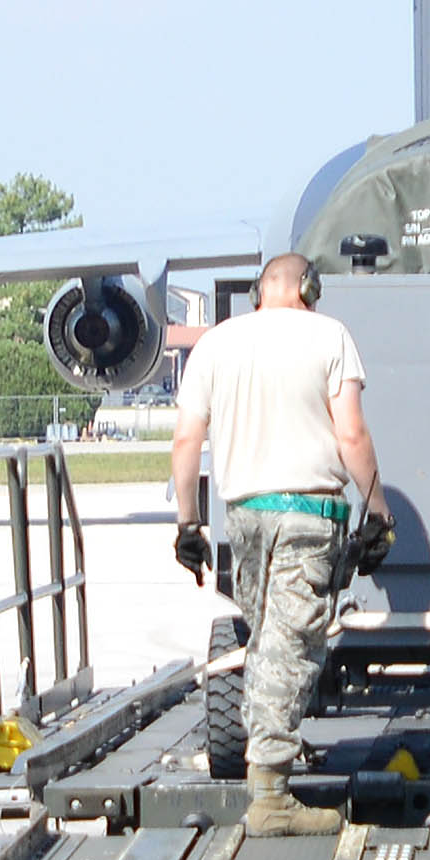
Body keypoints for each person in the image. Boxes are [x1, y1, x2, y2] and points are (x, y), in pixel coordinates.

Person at [167, 252, 378, 814]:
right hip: (308, 513)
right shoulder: (330, 335)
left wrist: (189, 523)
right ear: (308, 287)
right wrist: (378, 508)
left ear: (261, 290)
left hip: (247, 516)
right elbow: (351, 435)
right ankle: (270, 795)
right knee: (291, 648)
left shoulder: (216, 343)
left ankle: (267, 767)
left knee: (266, 643)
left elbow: (186, 441)